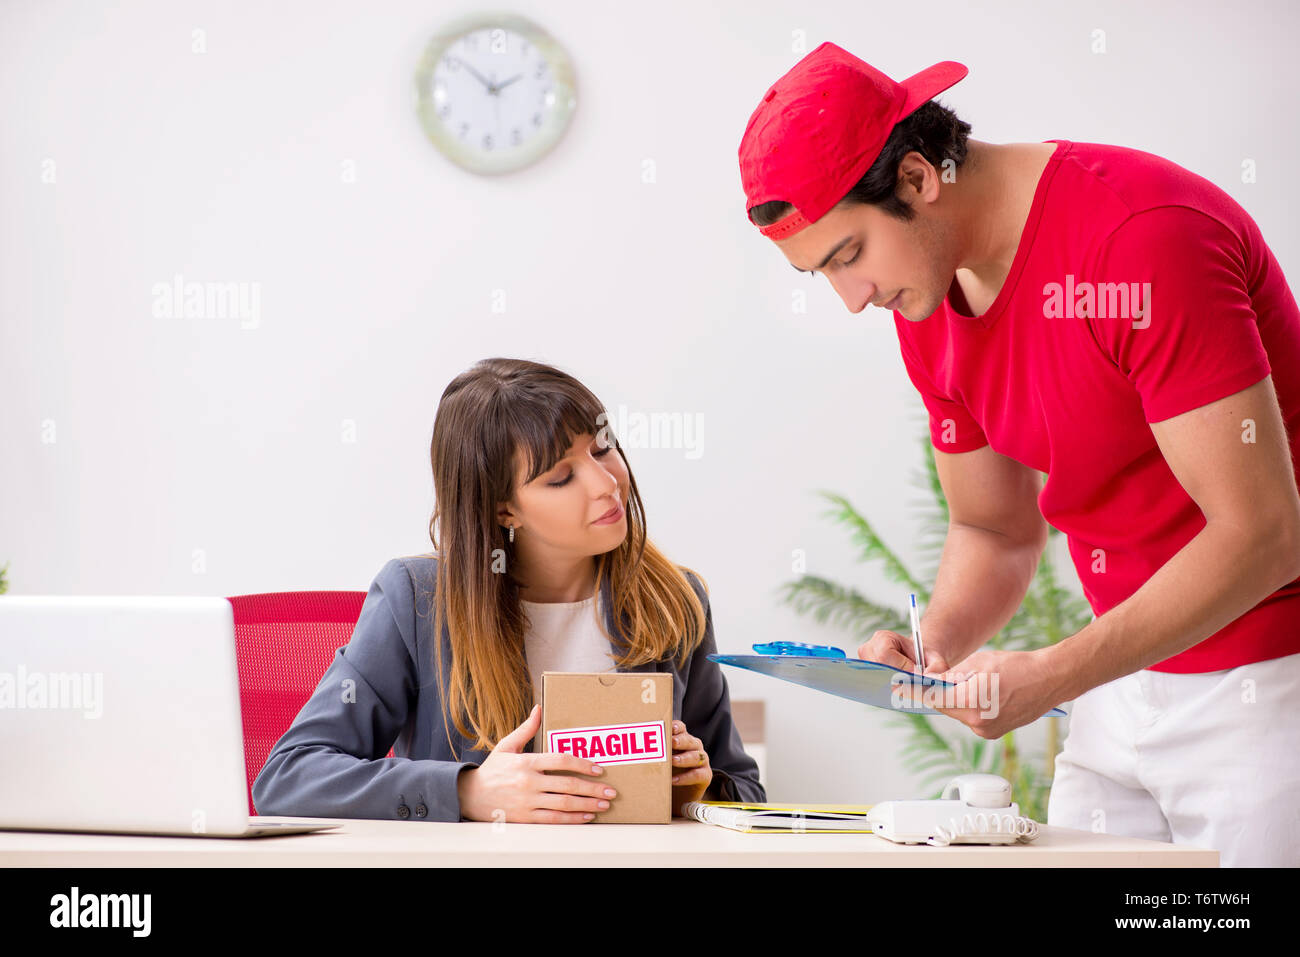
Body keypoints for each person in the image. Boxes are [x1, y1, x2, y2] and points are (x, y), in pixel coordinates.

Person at [737, 42, 1300, 866]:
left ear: (920, 178)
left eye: (848, 255)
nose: (852, 299)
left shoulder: (1140, 240)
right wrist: (935, 645)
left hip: (1266, 682)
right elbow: (994, 530)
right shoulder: (927, 295)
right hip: (1120, 677)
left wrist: (1057, 671)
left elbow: (1262, 533)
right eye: (820, 273)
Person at [253, 357, 765, 823]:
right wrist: (471, 791)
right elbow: (288, 778)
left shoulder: (674, 599)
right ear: (504, 510)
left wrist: (698, 789)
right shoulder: (417, 600)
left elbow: (744, 791)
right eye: (561, 478)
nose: (606, 482)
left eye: (603, 448)